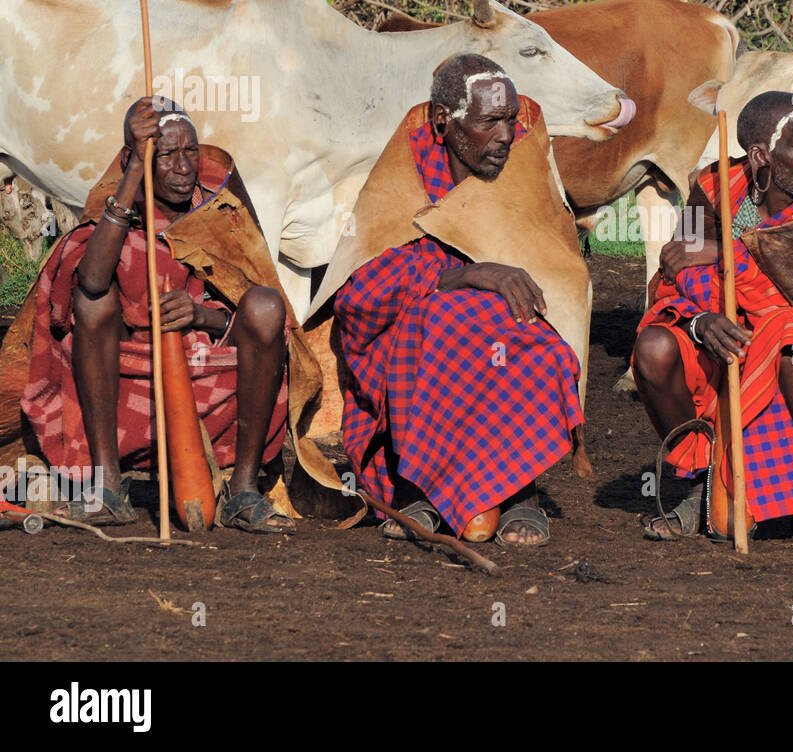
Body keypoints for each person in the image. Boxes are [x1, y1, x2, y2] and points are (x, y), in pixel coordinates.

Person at [13, 97, 314, 531]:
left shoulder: (217, 209)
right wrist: (136, 165)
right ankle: (109, 490)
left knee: (268, 305)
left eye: (190, 151)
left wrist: (199, 316)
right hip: (131, 370)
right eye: (166, 155)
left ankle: (243, 490)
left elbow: (252, 300)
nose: (183, 167)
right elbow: (93, 282)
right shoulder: (119, 210)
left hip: (208, 366)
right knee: (92, 302)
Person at [332, 54, 584, 547]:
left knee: (529, 337)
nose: (506, 136)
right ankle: (420, 486)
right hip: (418, 330)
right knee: (443, 320)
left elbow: (562, 265)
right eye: (490, 121)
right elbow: (360, 295)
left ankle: (520, 491)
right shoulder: (402, 182)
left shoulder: (522, 170)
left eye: (511, 120)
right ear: (445, 122)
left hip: (507, 329)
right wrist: (465, 275)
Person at [632, 90, 793, 545]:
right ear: (762, 155)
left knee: (788, 341)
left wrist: (723, 252)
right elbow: (676, 274)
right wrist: (702, 321)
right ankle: (703, 480)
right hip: (726, 333)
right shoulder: (714, 187)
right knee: (655, 347)